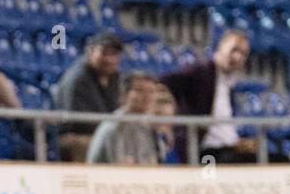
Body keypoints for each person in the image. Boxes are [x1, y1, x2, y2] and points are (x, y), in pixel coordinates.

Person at [159, 29, 253, 163]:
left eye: (243, 54)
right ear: (221, 47)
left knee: (280, 159)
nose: (237, 57)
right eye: (234, 50)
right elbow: (164, 82)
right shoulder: (201, 72)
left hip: (230, 148)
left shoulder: (229, 84)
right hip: (207, 154)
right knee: (230, 162)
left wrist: (237, 141)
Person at [53, 30, 125, 162]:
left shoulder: (115, 77)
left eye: (114, 54)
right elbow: (79, 121)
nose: (109, 59)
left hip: (101, 133)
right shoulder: (78, 78)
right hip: (74, 137)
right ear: (90, 52)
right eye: (104, 52)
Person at [86, 72, 157, 165]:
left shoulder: (144, 125)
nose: (147, 96)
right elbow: (119, 169)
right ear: (124, 94)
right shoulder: (115, 126)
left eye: (151, 91)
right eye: (139, 90)